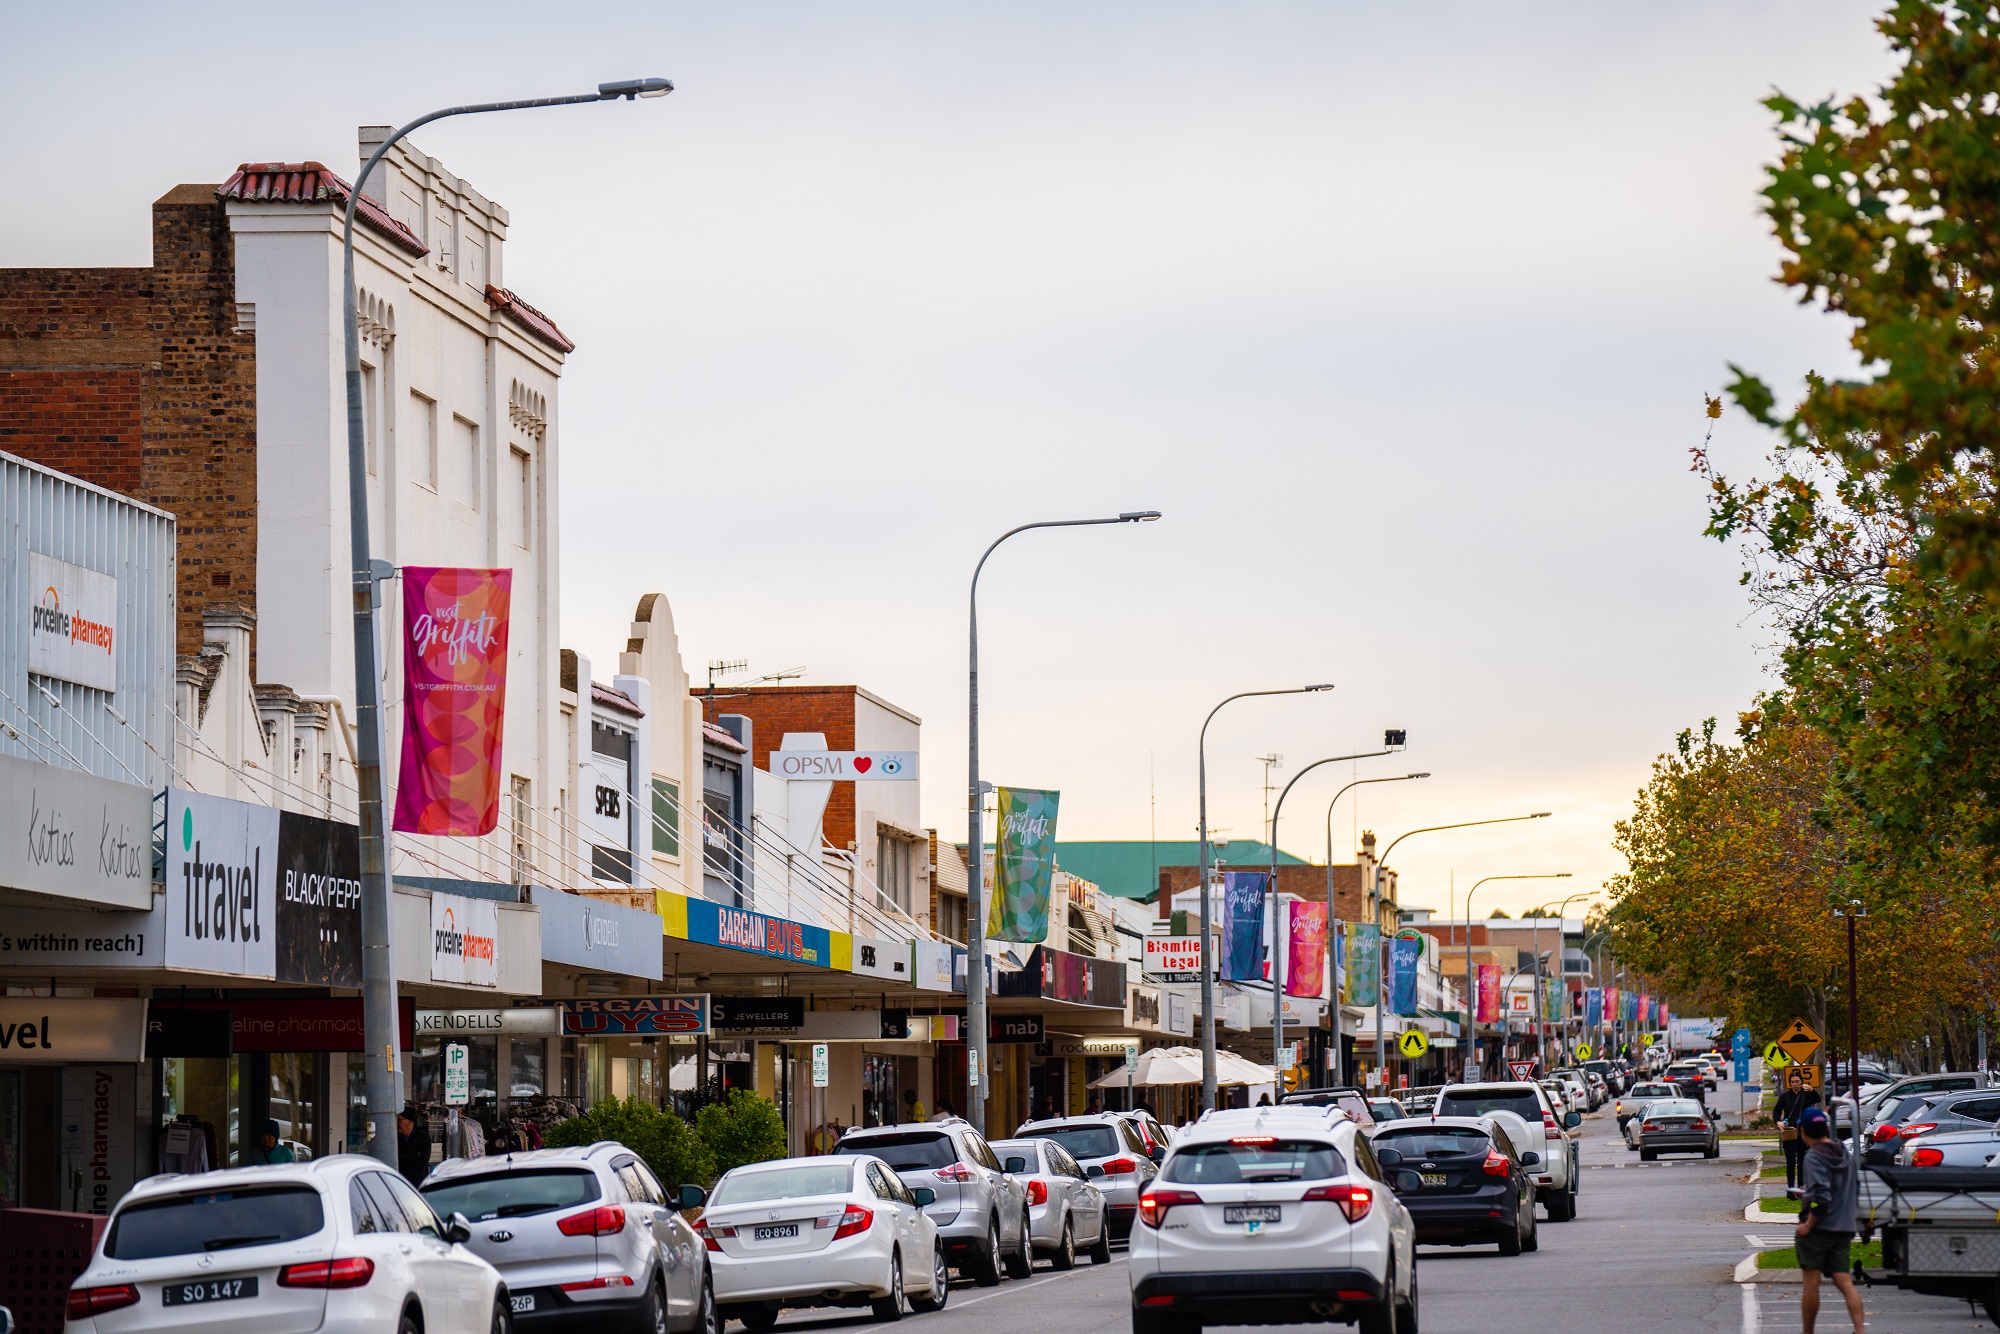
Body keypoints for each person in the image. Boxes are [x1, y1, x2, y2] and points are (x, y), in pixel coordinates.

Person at [1794, 1107, 1864, 1334]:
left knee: (1811, 1283)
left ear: (1803, 1131)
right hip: (1843, 1226)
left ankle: (1808, 1332)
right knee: (1845, 1281)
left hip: (1820, 1229)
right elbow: (1852, 1186)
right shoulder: (1844, 1152)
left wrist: (1808, 1225)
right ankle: (1860, 1329)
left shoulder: (1813, 1156)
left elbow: (1822, 1198)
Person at [1775, 1070, 1821, 1189]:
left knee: (1802, 1161)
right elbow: (1777, 1111)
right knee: (1790, 1162)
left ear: (1802, 1082)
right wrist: (1778, 1121)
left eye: (1797, 1081)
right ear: (1789, 1083)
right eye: (1792, 1082)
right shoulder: (1785, 1097)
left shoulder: (1807, 1095)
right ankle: (1791, 1187)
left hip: (1803, 1133)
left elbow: (1818, 1099)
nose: (1795, 1084)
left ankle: (1801, 1186)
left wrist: (1811, 1089)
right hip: (1789, 1132)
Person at [397, 1104, 432, 1186]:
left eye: (399, 1120)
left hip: (417, 1185)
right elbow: (392, 1158)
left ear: (410, 1122)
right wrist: (415, 1157)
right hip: (399, 1183)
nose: (397, 1123)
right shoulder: (395, 1138)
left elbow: (423, 1160)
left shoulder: (423, 1137)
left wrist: (401, 1158)